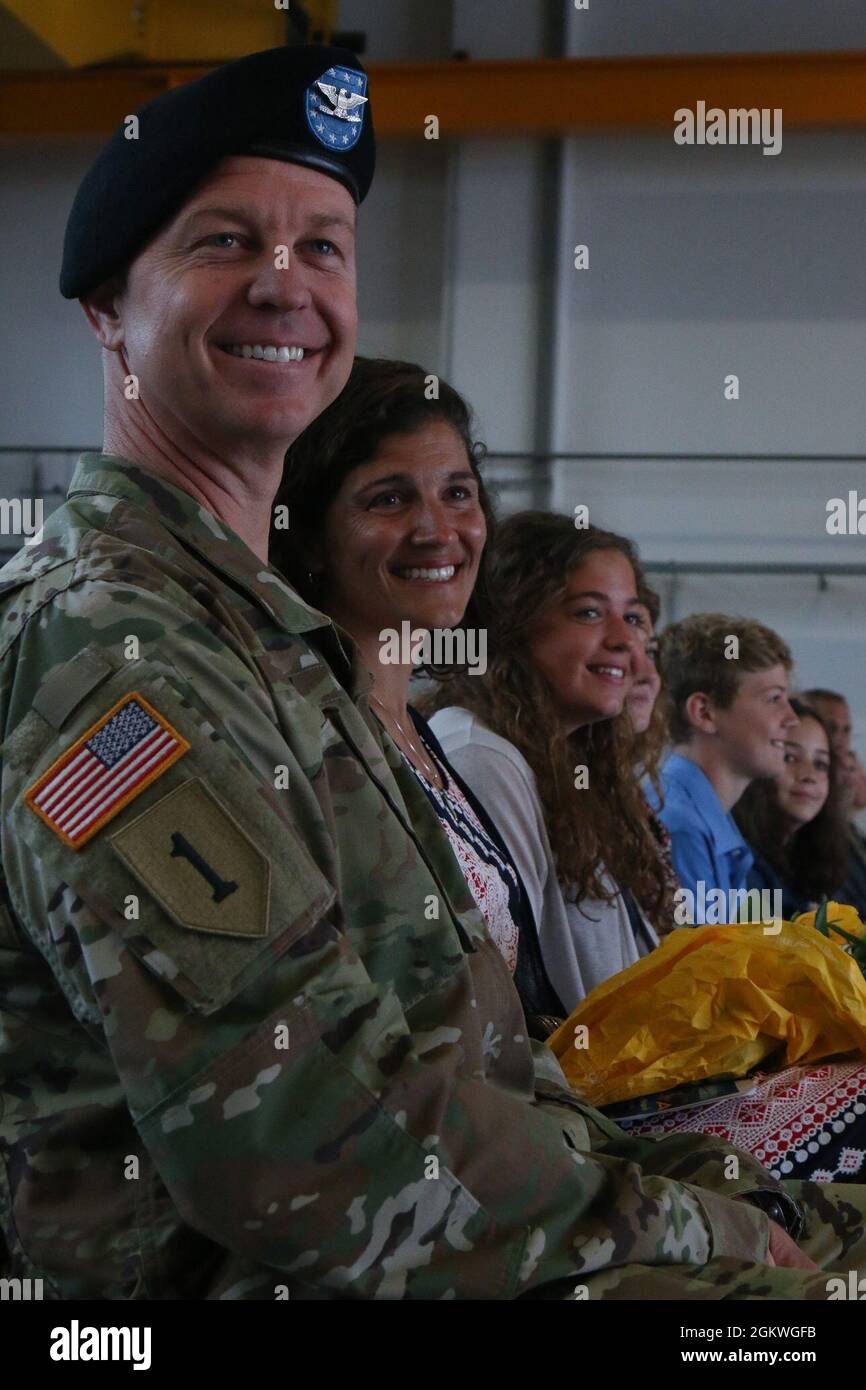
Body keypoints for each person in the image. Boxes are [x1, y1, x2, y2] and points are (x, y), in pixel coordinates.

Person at [0, 47, 863, 1301]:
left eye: (325, 248)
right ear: (106, 308)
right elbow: (300, 1141)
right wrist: (701, 1239)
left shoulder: (265, 638)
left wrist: (697, 1192)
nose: (285, 287)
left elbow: (471, 1059)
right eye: (225, 242)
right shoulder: (114, 649)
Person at [271, 355, 563, 1023]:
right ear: (312, 537)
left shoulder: (419, 733)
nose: (438, 531)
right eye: (391, 498)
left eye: (457, 493)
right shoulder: (300, 733)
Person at [426, 513, 667, 1015]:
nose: (625, 640)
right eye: (589, 613)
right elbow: (506, 991)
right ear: (514, 622)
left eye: (634, 616)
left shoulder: (568, 758)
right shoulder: (481, 758)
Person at [650, 613, 799, 924]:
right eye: (774, 699)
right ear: (704, 713)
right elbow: (701, 967)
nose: (791, 719)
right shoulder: (680, 828)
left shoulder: (709, 817)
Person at [733, 699, 848, 918]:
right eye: (790, 757)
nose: (809, 775)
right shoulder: (740, 862)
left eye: (821, 764)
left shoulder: (806, 859)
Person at [800, 688, 866, 919]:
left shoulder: (844, 827)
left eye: (846, 730)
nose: (839, 739)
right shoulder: (803, 814)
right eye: (831, 728)